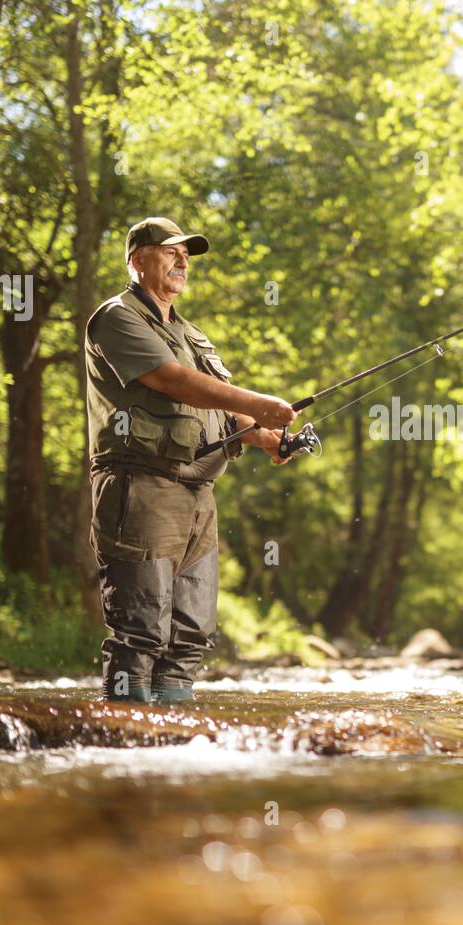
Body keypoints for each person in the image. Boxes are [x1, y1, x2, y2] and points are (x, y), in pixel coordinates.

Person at [83, 217, 297, 702]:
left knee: (189, 639)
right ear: (138, 261)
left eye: (186, 253)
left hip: (199, 496)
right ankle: (124, 754)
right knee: (140, 633)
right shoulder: (117, 318)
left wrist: (266, 437)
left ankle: (170, 753)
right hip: (142, 488)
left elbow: (220, 408)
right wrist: (260, 400)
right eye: (170, 250)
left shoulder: (191, 334)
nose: (182, 259)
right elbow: (170, 380)